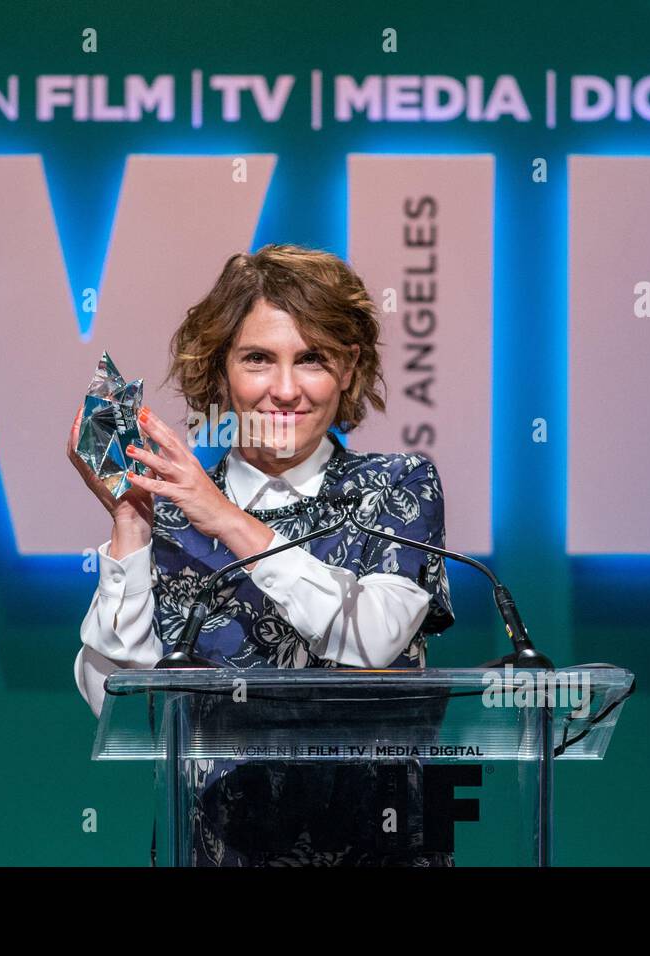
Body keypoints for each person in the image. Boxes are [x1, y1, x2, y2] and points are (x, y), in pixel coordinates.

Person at [66, 244, 456, 865]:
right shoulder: (170, 513)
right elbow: (113, 700)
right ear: (221, 370)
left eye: (312, 360)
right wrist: (131, 526)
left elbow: (374, 640)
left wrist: (223, 518)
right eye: (257, 359)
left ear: (350, 369)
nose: (284, 390)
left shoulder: (396, 487)